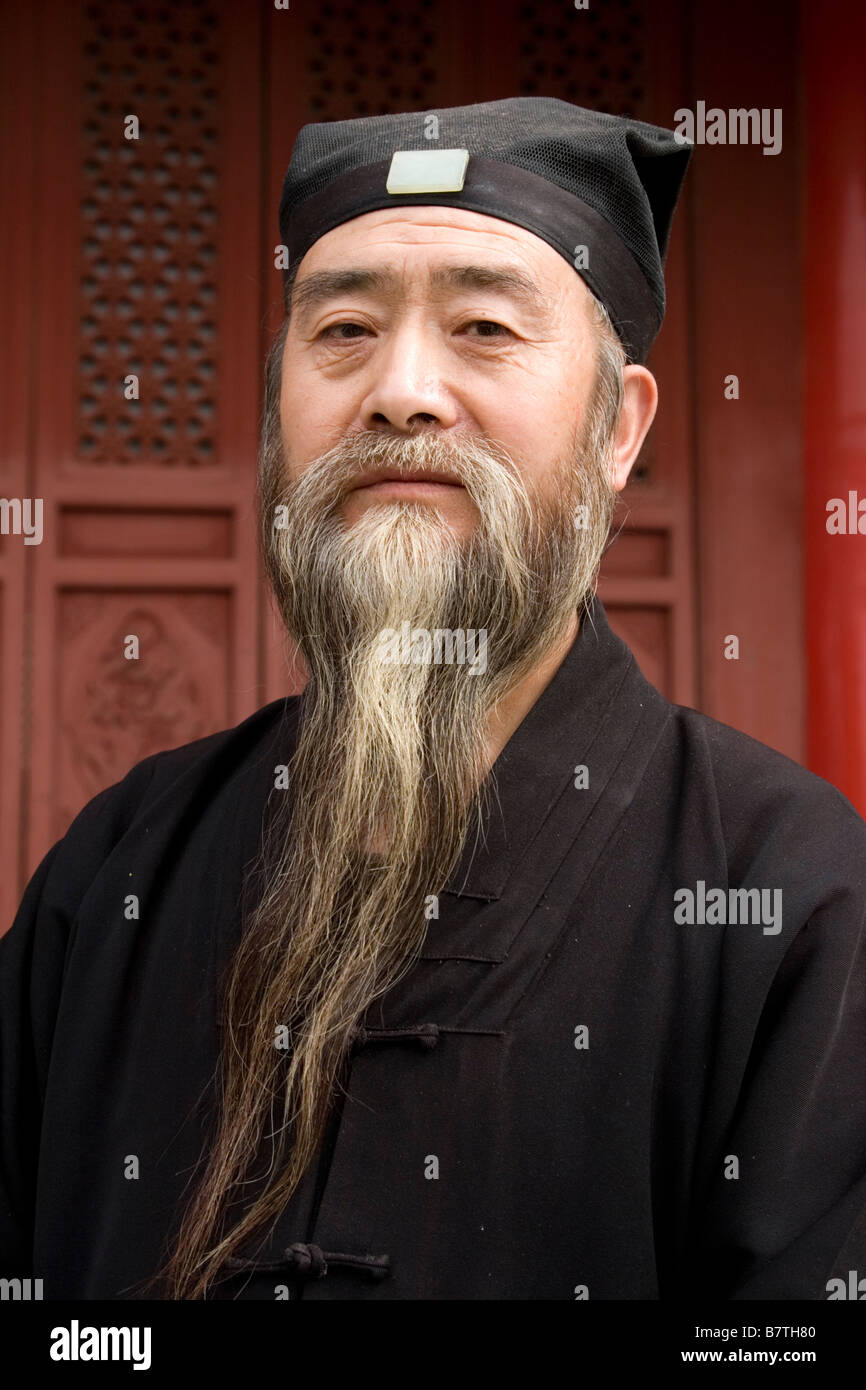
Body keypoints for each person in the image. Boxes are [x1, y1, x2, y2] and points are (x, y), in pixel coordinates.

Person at [1, 96, 864, 1302]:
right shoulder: (115, 874)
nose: (400, 391)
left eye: (482, 327)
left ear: (618, 427)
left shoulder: (795, 899)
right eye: (343, 327)